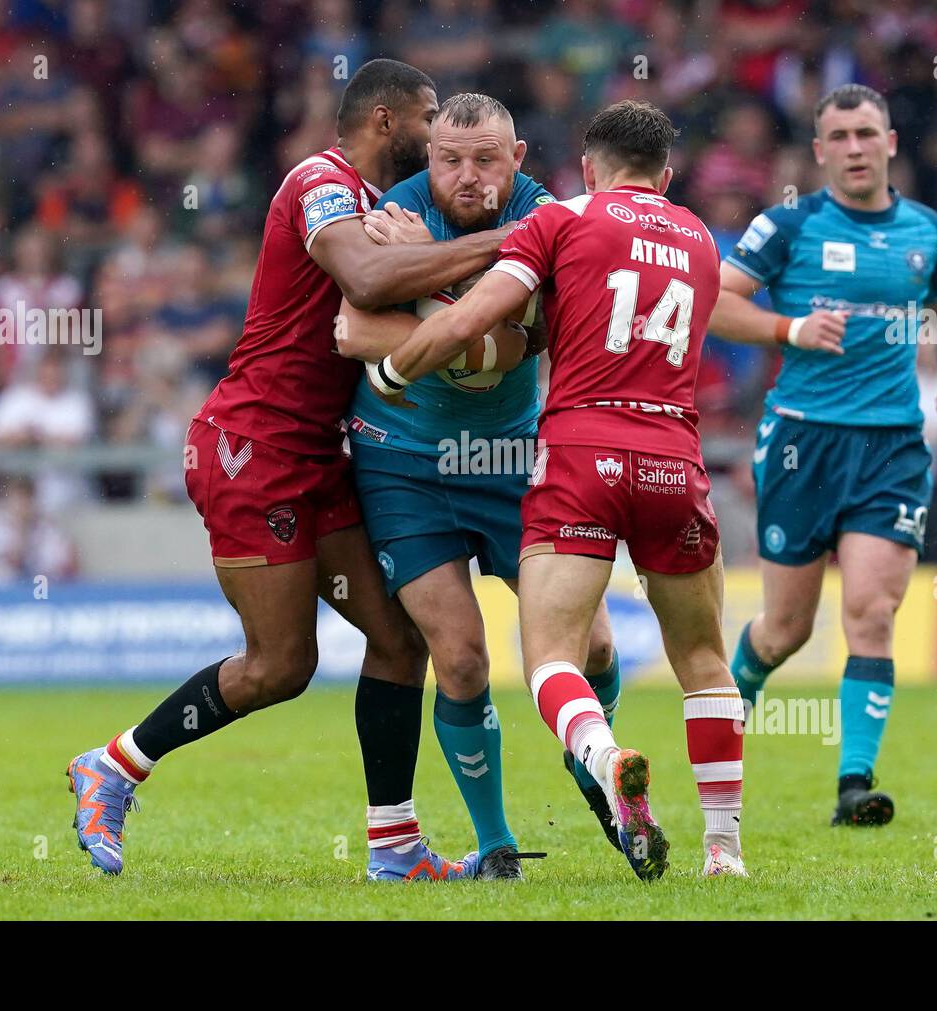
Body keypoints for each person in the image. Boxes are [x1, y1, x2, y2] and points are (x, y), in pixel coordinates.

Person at [66, 59, 516, 882]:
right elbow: (367, 279)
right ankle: (115, 764)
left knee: (397, 636)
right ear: (386, 121)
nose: (440, 135)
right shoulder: (320, 180)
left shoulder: (389, 209)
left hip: (318, 453)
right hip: (252, 449)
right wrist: (514, 246)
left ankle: (395, 848)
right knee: (280, 665)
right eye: (428, 120)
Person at [367, 100, 747, 880]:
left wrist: (391, 368)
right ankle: (724, 853)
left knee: (549, 657)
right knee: (706, 659)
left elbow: (474, 320)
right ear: (666, 176)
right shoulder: (702, 239)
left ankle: (603, 757)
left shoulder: (562, 219)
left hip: (581, 452)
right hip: (675, 454)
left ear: (584, 166)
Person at [335, 93, 622, 878]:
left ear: (518, 157)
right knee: (461, 659)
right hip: (406, 464)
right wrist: (498, 340)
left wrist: (440, 309)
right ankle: (496, 846)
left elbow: (556, 331)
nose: (468, 175)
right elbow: (353, 330)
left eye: (486, 159)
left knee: (592, 643)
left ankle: (589, 762)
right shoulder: (393, 213)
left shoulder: (551, 218)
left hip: (509, 457)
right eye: (450, 159)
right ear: (428, 158)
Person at [707, 84, 937, 827]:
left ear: (890, 142)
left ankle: (854, 784)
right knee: (785, 629)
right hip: (801, 443)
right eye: (840, 137)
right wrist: (790, 330)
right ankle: (727, 714)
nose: (856, 147)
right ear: (820, 151)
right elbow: (717, 302)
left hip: (891, 445)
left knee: (871, 610)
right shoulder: (787, 226)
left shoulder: (925, 230)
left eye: (867, 133)